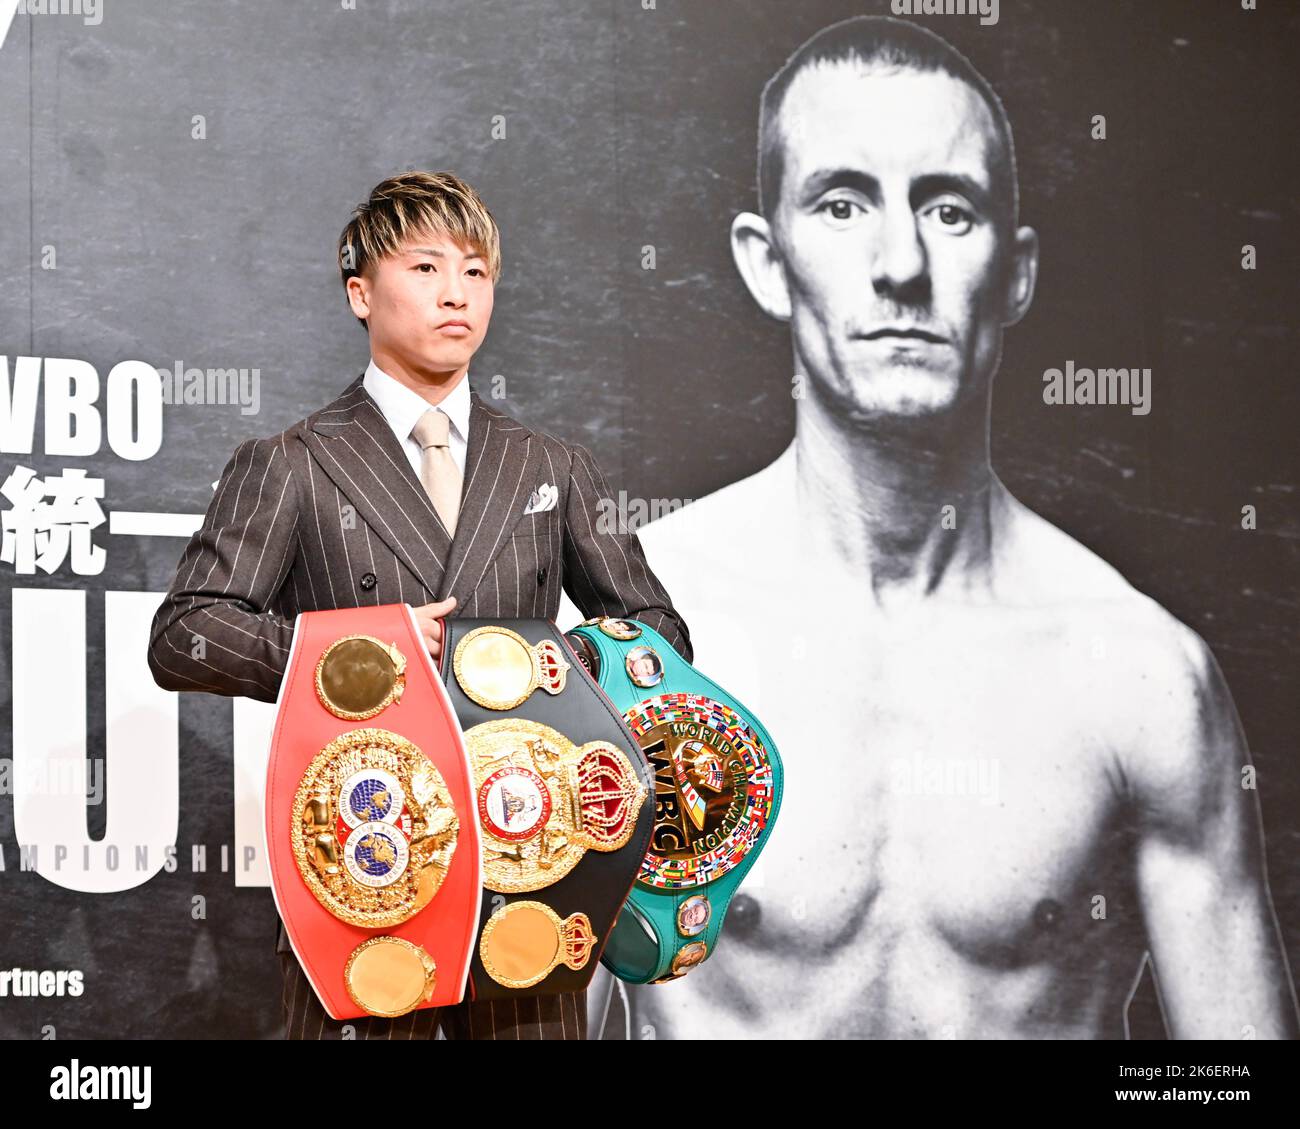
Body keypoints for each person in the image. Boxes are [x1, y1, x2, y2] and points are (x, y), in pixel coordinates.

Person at [624, 16, 1297, 1038]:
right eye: (842, 204)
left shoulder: (1140, 674)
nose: (900, 264)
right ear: (766, 262)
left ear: (1015, 272)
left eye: (948, 210)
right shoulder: (630, 641)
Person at [147, 170, 691, 1041]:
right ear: (361, 293)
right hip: (367, 863)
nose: (456, 294)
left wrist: (560, 671)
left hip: (537, 872)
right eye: (427, 267)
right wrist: (371, 651)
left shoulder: (553, 466)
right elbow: (185, 635)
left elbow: (659, 636)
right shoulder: (291, 461)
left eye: (477, 273)